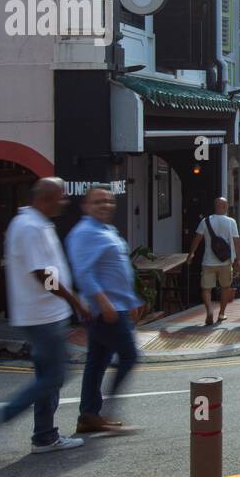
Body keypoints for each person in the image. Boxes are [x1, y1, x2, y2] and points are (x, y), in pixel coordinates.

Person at [0, 177, 90, 453]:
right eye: (61, 197)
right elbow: (42, 274)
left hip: (46, 313)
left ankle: (45, 435)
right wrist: (74, 301)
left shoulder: (36, 223)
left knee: (49, 376)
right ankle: (5, 414)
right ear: (45, 198)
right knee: (54, 376)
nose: (65, 201)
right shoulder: (30, 227)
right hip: (41, 315)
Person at [67, 186, 143, 434]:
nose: (105, 205)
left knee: (97, 361)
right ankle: (104, 413)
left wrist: (130, 301)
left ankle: (89, 416)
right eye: (98, 201)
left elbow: (116, 269)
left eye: (109, 201)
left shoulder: (107, 230)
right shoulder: (84, 232)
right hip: (106, 310)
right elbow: (84, 273)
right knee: (129, 356)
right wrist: (105, 303)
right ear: (85, 206)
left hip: (117, 306)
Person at [187, 196, 240, 326]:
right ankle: (221, 313)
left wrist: (191, 254)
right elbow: (236, 241)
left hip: (208, 262)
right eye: (226, 205)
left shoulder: (205, 221)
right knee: (225, 288)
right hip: (225, 262)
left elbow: (197, 239)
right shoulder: (231, 222)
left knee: (206, 288)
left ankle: (209, 311)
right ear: (224, 207)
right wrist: (238, 259)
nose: (227, 207)